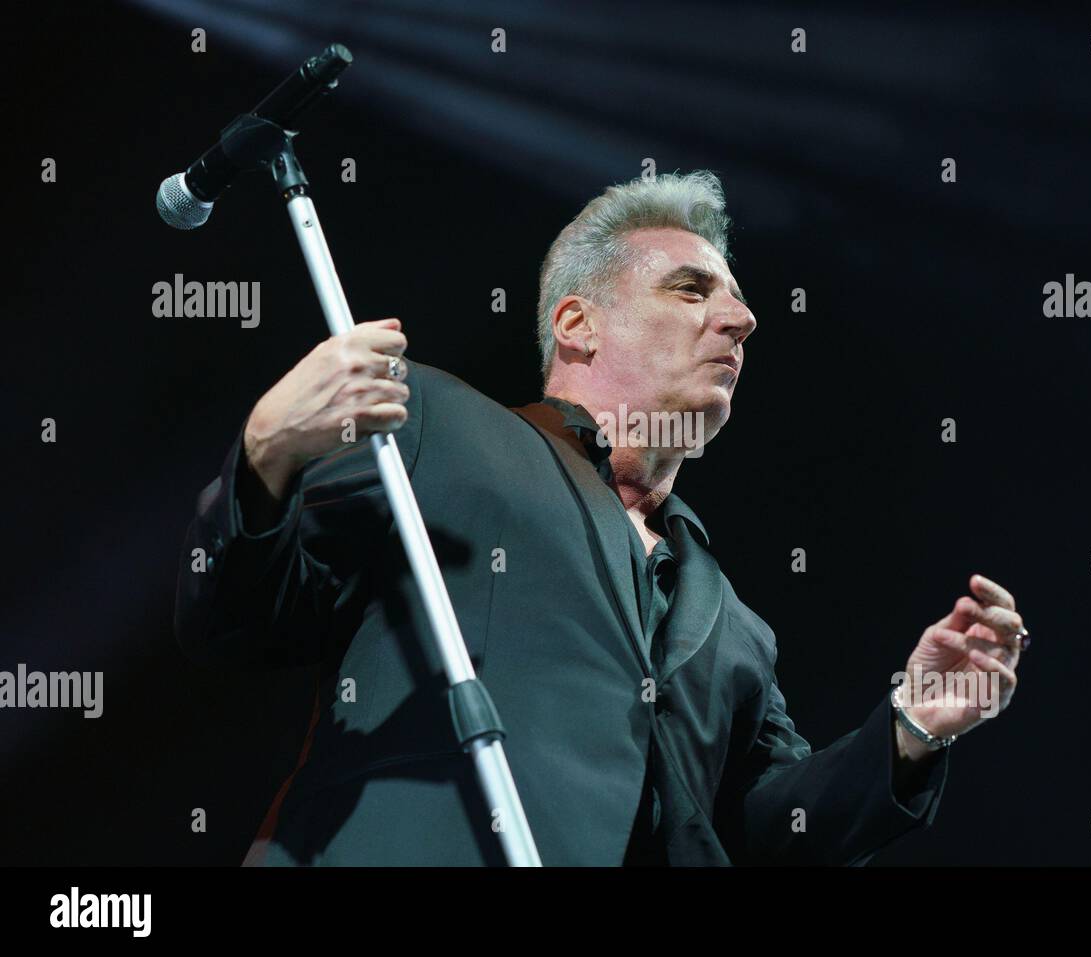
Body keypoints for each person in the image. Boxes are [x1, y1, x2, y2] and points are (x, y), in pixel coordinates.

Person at [174, 170, 1026, 866]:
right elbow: (241, 621)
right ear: (577, 325)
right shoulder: (436, 422)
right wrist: (265, 455)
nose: (741, 318)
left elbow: (771, 832)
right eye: (691, 289)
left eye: (735, 301)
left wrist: (912, 725)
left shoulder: (735, 626)